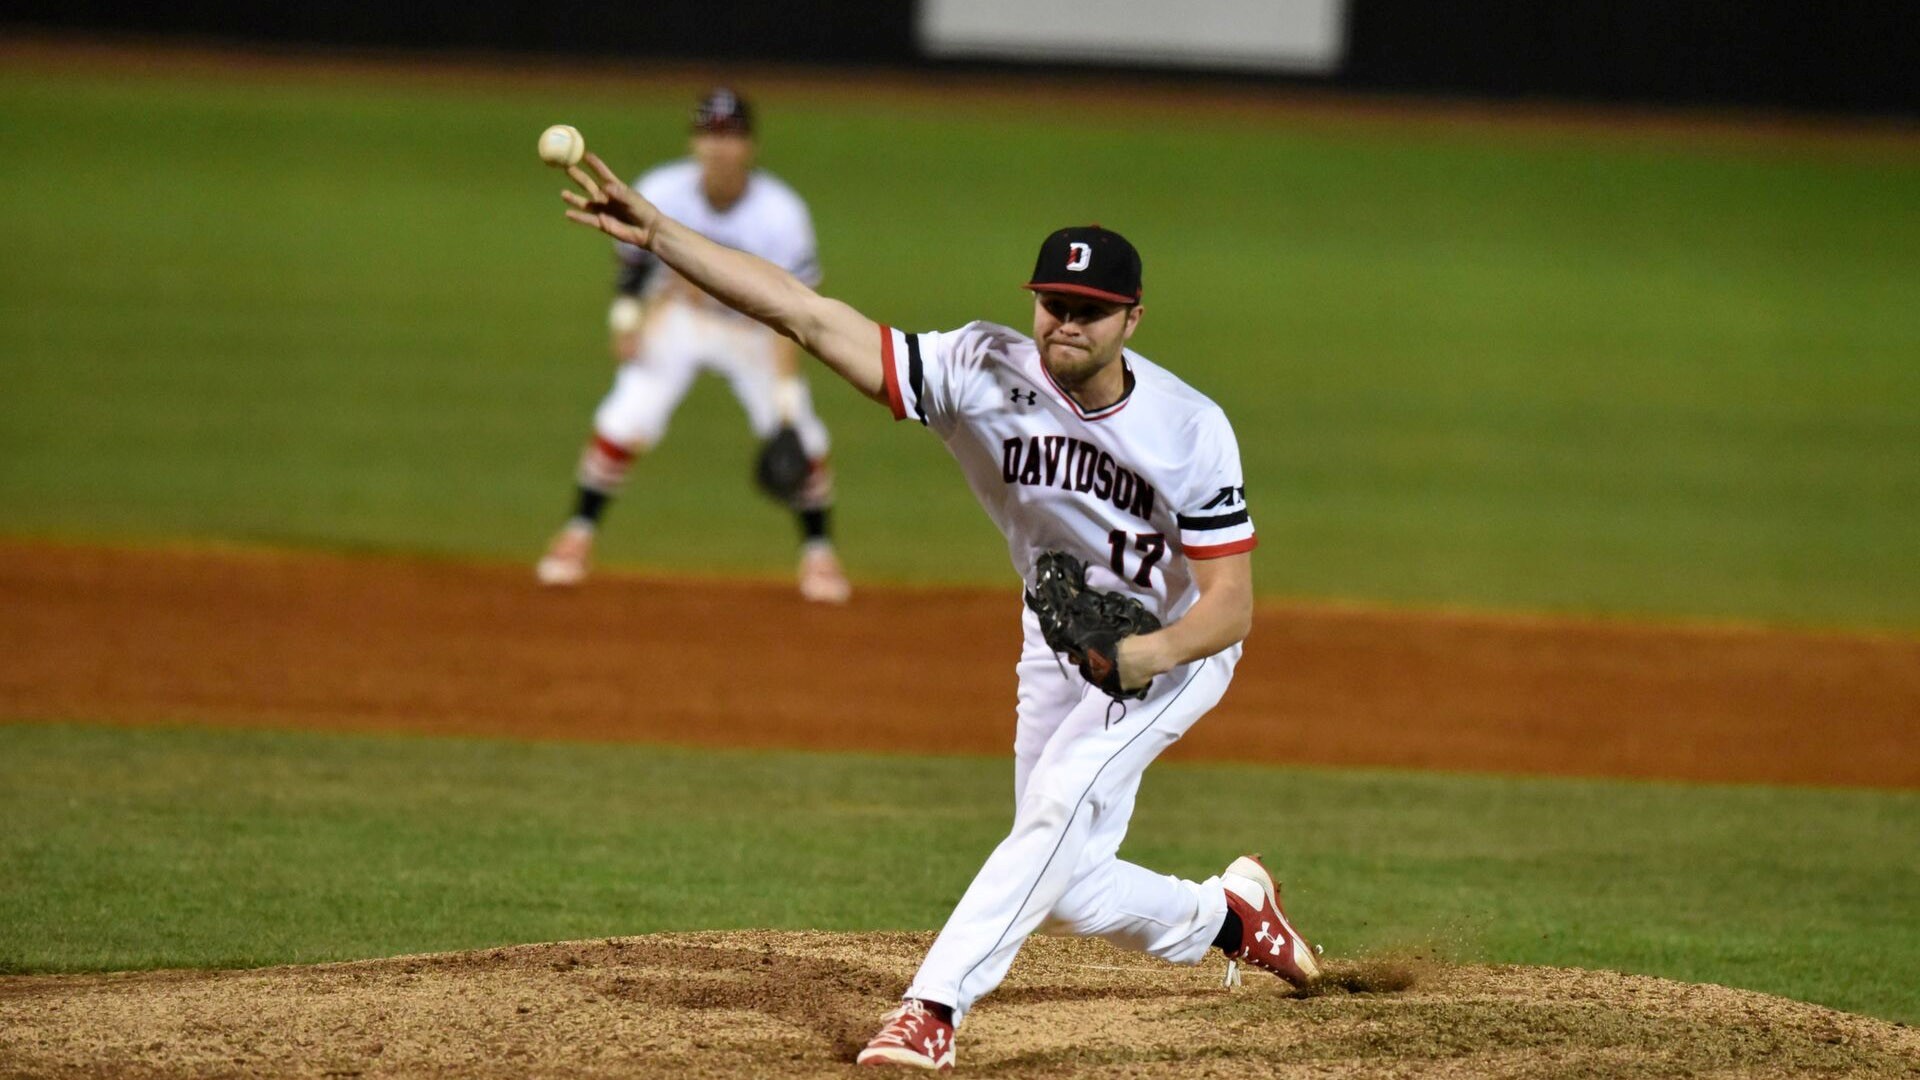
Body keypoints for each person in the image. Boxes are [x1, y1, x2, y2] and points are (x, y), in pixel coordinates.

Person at [557, 153, 1323, 1073]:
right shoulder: (977, 368)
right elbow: (805, 313)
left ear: (1132, 319)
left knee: (1057, 801)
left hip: (1174, 646)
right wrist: (661, 235)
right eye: (1053, 302)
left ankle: (932, 1010)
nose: (1065, 322)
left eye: (1089, 310)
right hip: (1059, 636)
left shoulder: (1190, 428)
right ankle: (1229, 917)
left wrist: (1148, 654)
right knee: (1065, 883)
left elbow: (1232, 605)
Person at [536, 88, 851, 603]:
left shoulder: (781, 213)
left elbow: (801, 311)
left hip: (757, 329)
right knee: (625, 416)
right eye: (709, 134)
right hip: (679, 318)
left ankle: (819, 553)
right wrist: (627, 321)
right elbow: (633, 265)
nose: (719, 147)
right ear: (694, 142)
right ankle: (577, 533)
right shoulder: (662, 188)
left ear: (749, 145)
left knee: (803, 437)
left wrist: (786, 395)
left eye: (730, 135)